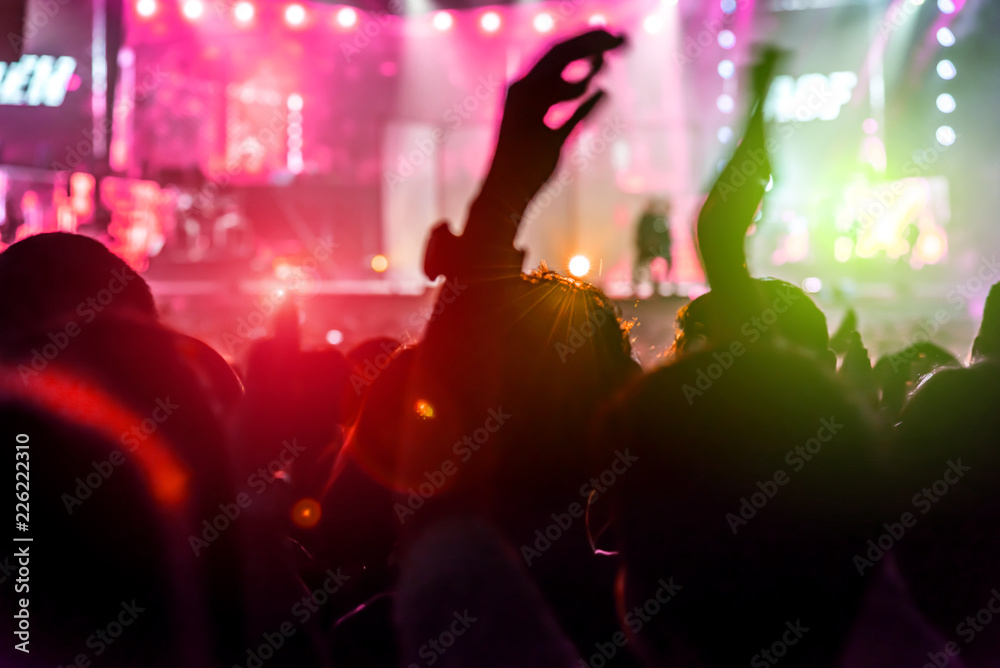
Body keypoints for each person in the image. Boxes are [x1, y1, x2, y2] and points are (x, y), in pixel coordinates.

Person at [632, 198, 672, 292]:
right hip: (646, 248)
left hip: (655, 248)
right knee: (641, 264)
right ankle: (637, 284)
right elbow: (641, 233)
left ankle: (657, 283)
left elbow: (664, 235)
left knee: (661, 263)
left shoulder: (659, 218)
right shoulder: (646, 219)